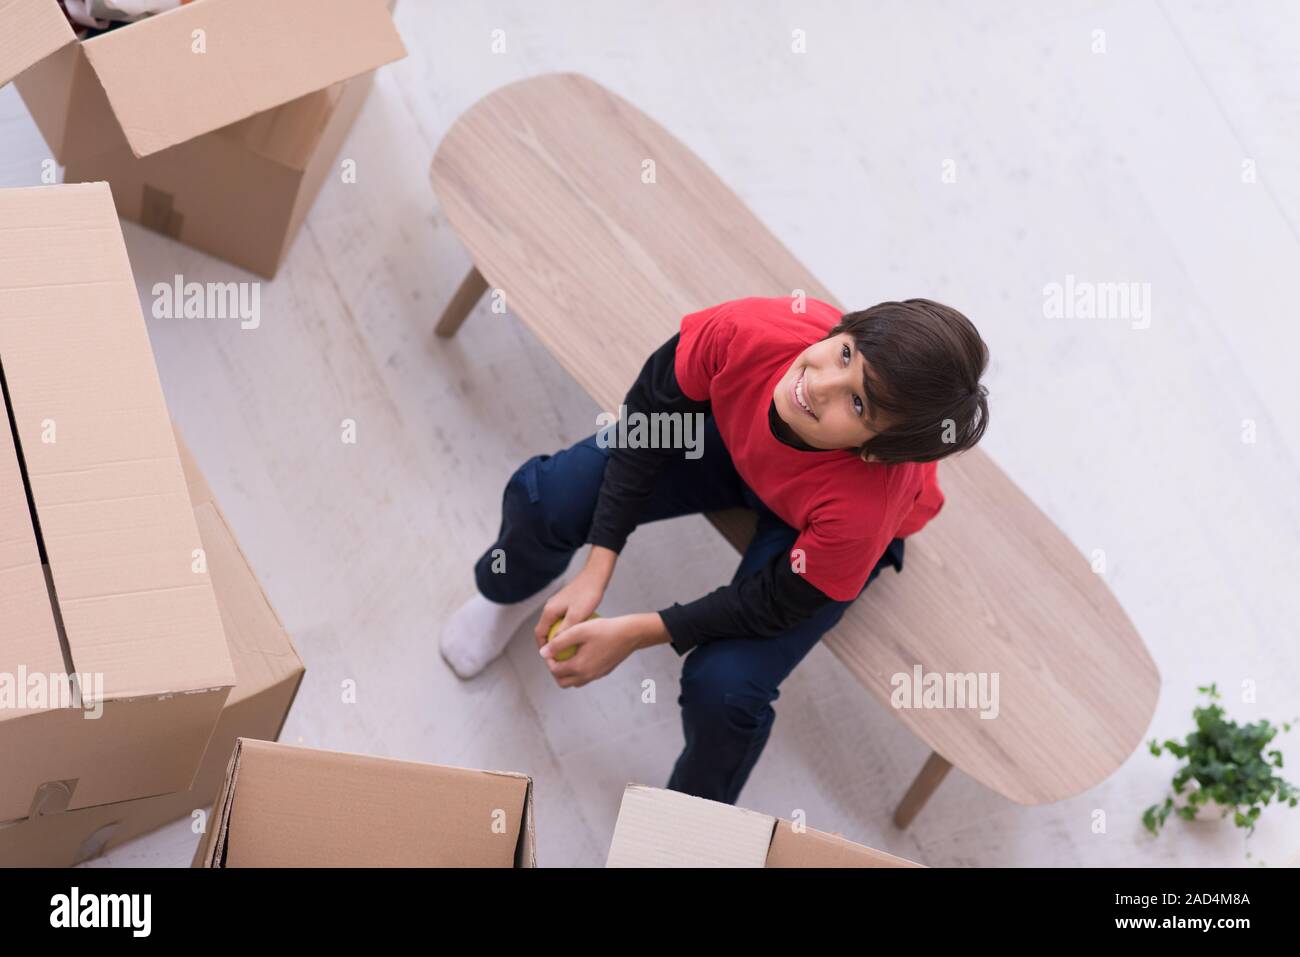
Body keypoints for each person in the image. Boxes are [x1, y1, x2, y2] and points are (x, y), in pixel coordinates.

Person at [441, 295, 990, 804]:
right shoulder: (745, 333)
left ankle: (685, 831)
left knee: (724, 689)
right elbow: (648, 421)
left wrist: (638, 632)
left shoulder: (865, 509)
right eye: (845, 353)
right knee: (548, 497)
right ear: (840, 329)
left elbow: (777, 601)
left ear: (874, 451)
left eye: (858, 404)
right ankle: (515, 590)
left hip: (813, 525)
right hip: (731, 442)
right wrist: (597, 566)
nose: (820, 384)